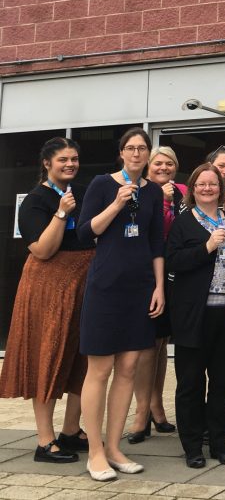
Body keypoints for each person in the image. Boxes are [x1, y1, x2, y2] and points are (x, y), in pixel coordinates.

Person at [0, 137, 95, 463]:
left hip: (83, 284)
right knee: (48, 357)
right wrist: (60, 213)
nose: (70, 164)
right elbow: (42, 250)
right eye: (63, 160)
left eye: (74, 159)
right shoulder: (35, 201)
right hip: (48, 287)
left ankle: (71, 430)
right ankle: (45, 441)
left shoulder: (82, 192)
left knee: (83, 358)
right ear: (47, 163)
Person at [77, 127, 165, 481]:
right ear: (121, 153)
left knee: (128, 367)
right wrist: (116, 203)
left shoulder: (154, 192)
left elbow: (156, 242)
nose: (136, 154)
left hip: (140, 287)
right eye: (131, 148)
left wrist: (159, 287)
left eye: (142, 148)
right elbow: (86, 232)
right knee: (99, 369)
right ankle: (95, 451)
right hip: (106, 287)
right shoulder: (101, 184)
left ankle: (114, 447)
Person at [166, 163, 225, 468]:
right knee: (190, 384)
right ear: (192, 189)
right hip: (194, 316)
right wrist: (207, 246)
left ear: (221, 189)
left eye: (213, 184)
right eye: (201, 184)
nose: (207, 189)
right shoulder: (183, 223)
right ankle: (192, 446)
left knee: (223, 383)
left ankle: (219, 442)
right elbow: (174, 262)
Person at [127, 146, 185, 443]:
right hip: (145, 271)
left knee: (161, 344)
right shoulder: (142, 191)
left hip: (174, 275)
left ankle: (157, 405)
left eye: (170, 164)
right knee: (147, 344)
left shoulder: (183, 191)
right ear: (149, 165)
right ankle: (141, 413)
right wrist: (162, 202)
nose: (164, 168)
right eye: (159, 163)